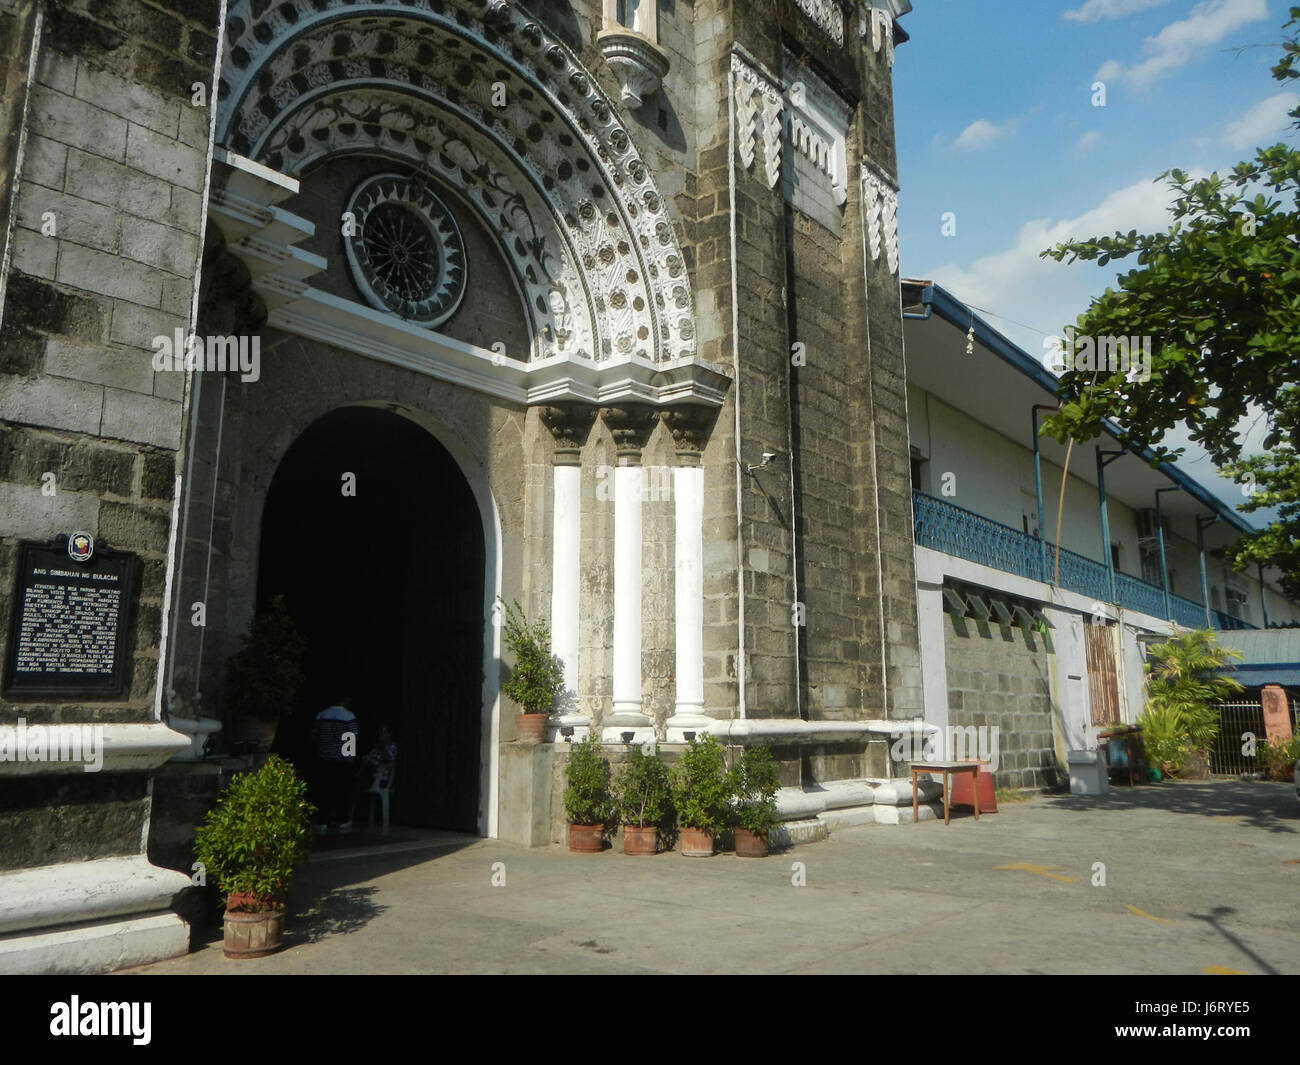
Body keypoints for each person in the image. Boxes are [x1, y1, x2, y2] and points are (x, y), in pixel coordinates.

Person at [311, 694, 358, 834]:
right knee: (341, 791)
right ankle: (341, 820)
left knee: (323, 791)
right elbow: (351, 738)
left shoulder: (321, 715)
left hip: (323, 759)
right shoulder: (348, 716)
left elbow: (314, 735)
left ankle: (322, 821)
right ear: (345, 700)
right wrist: (349, 758)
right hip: (341, 760)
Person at [350, 724, 397, 824]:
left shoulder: (392, 746)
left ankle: (348, 818)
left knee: (356, 786)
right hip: (370, 775)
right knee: (352, 785)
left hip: (382, 779)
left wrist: (383, 747)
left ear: (389, 734)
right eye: (380, 733)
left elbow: (389, 760)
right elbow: (366, 759)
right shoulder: (376, 748)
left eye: (384, 732)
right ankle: (348, 818)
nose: (381, 735)